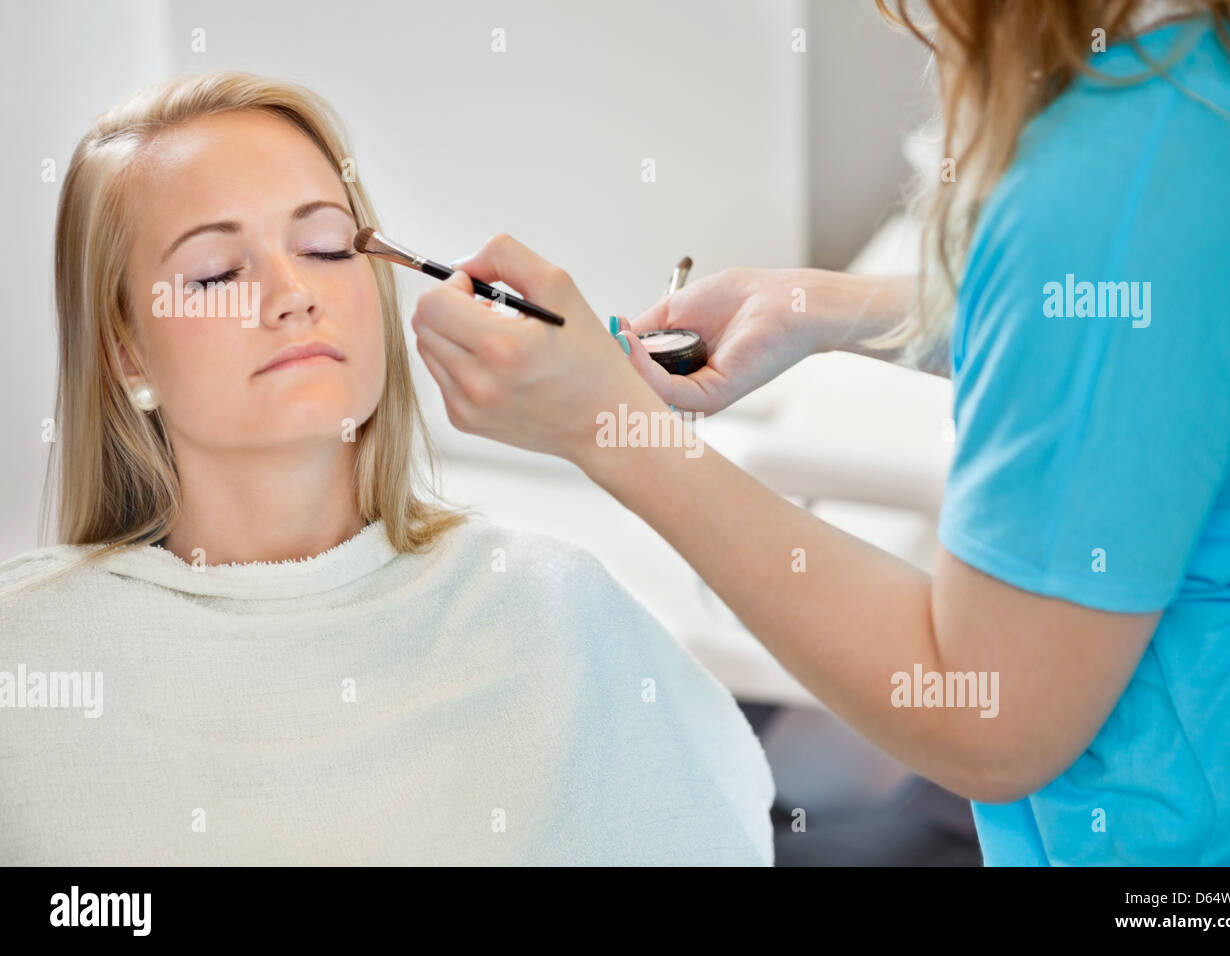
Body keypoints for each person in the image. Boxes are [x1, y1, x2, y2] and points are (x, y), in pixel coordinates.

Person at [409, 2, 1230, 864]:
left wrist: (609, 430)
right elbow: (1169, 331)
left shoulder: (1115, 190)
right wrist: (830, 306)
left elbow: (983, 713)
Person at [0, 72, 775, 866]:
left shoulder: (552, 609)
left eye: (326, 246)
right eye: (216, 273)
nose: (294, 294)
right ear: (127, 352)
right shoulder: (25, 660)